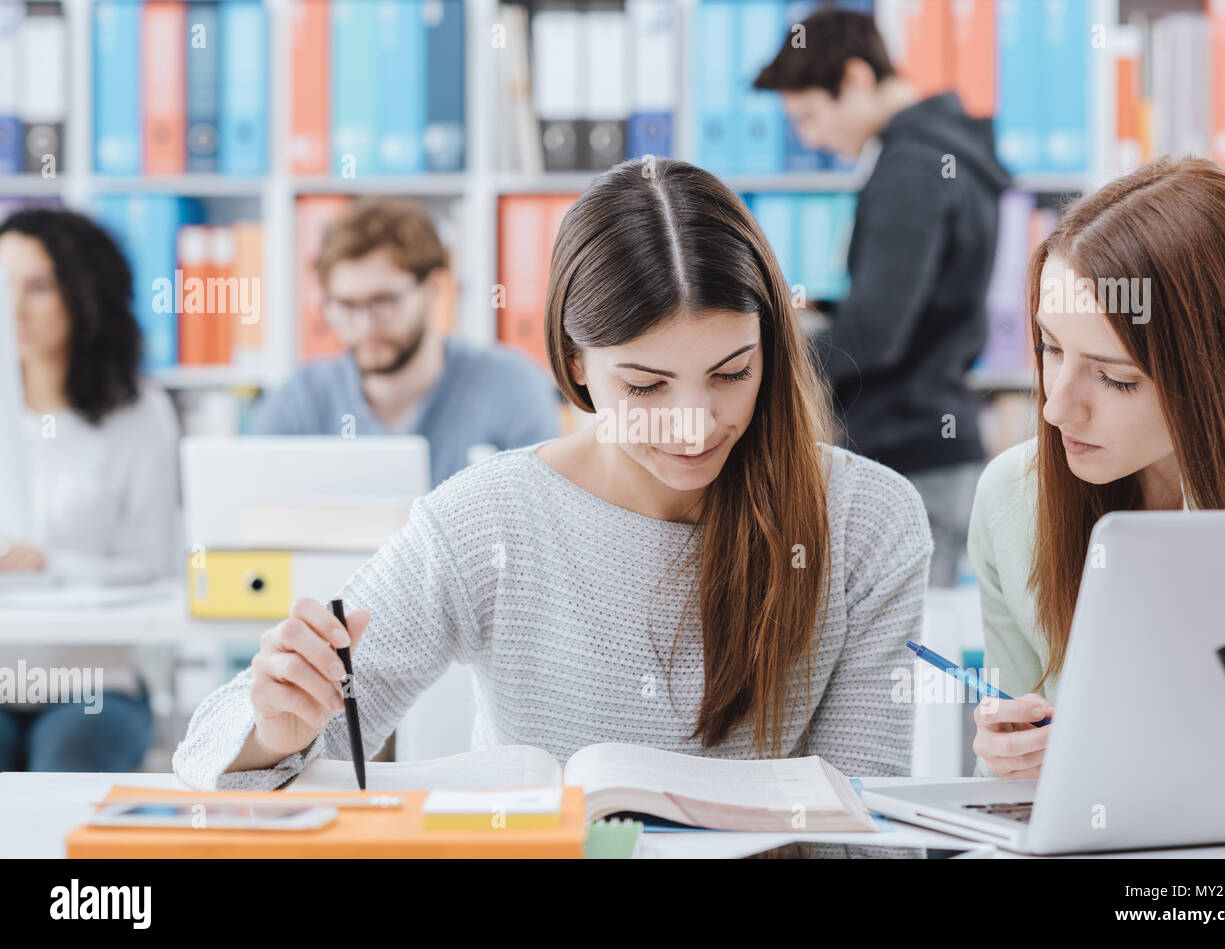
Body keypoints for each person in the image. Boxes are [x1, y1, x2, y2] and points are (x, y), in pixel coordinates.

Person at [173, 159, 932, 822]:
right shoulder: (487, 517)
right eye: (645, 384)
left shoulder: (868, 520)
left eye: (732, 372)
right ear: (576, 364)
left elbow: (859, 831)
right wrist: (277, 725)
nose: (693, 424)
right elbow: (216, 751)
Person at [968, 157, 1225, 779]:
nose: (1056, 406)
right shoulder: (1011, 500)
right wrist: (1017, 758)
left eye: (1116, 378)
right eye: (1050, 347)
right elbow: (1015, 782)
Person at [754, 7, 1012, 585]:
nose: (809, 137)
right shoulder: (945, 148)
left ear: (855, 78)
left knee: (910, 662)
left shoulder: (910, 168)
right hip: (933, 443)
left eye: (809, 115)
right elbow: (910, 303)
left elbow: (878, 331)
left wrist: (768, 372)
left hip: (910, 452)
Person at [0, 208, 178, 771]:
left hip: (96, 682)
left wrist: (51, 563)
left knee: (68, 757)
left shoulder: (139, 414)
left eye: (38, 287)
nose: (13, 309)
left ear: (83, 294)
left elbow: (155, 566)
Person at [251, 198, 560, 485]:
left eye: (384, 301)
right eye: (346, 306)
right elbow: (251, 505)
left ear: (433, 289)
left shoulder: (509, 385)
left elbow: (547, 517)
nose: (364, 324)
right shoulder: (301, 398)